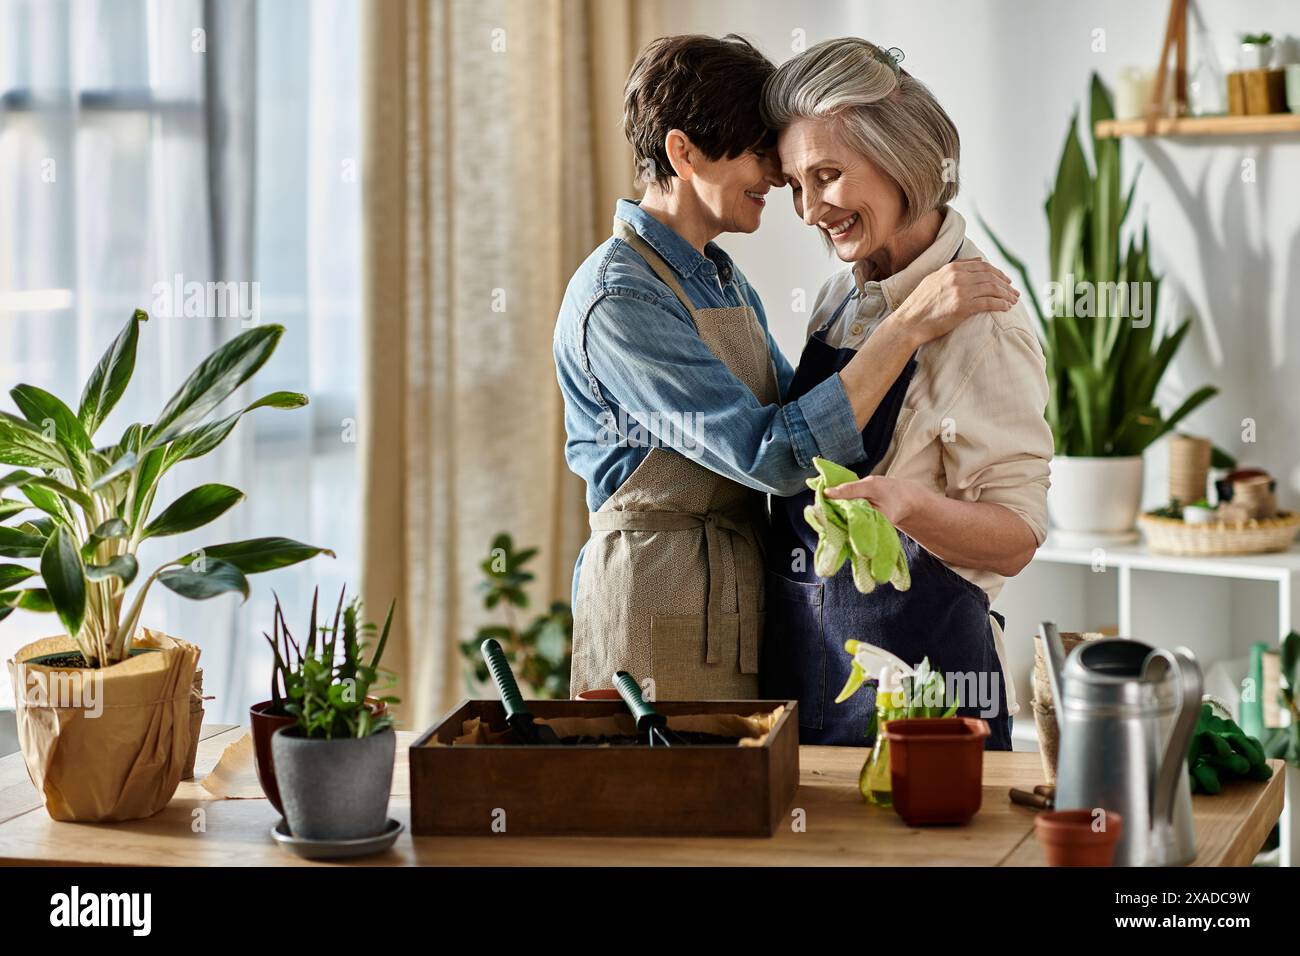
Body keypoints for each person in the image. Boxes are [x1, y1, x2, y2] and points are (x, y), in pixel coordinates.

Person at [552, 34, 1018, 701]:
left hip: (744, 603)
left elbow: (799, 411)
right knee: (668, 800)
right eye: (759, 152)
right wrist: (909, 322)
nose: (777, 179)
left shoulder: (718, 277)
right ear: (683, 152)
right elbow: (772, 452)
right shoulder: (621, 298)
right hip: (655, 605)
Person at [759, 38, 1053, 748]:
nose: (808, 210)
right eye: (797, 184)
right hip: (814, 664)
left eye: (828, 175)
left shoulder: (984, 324)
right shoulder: (838, 300)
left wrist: (906, 507)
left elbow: (1016, 536)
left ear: (900, 161)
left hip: (929, 689)